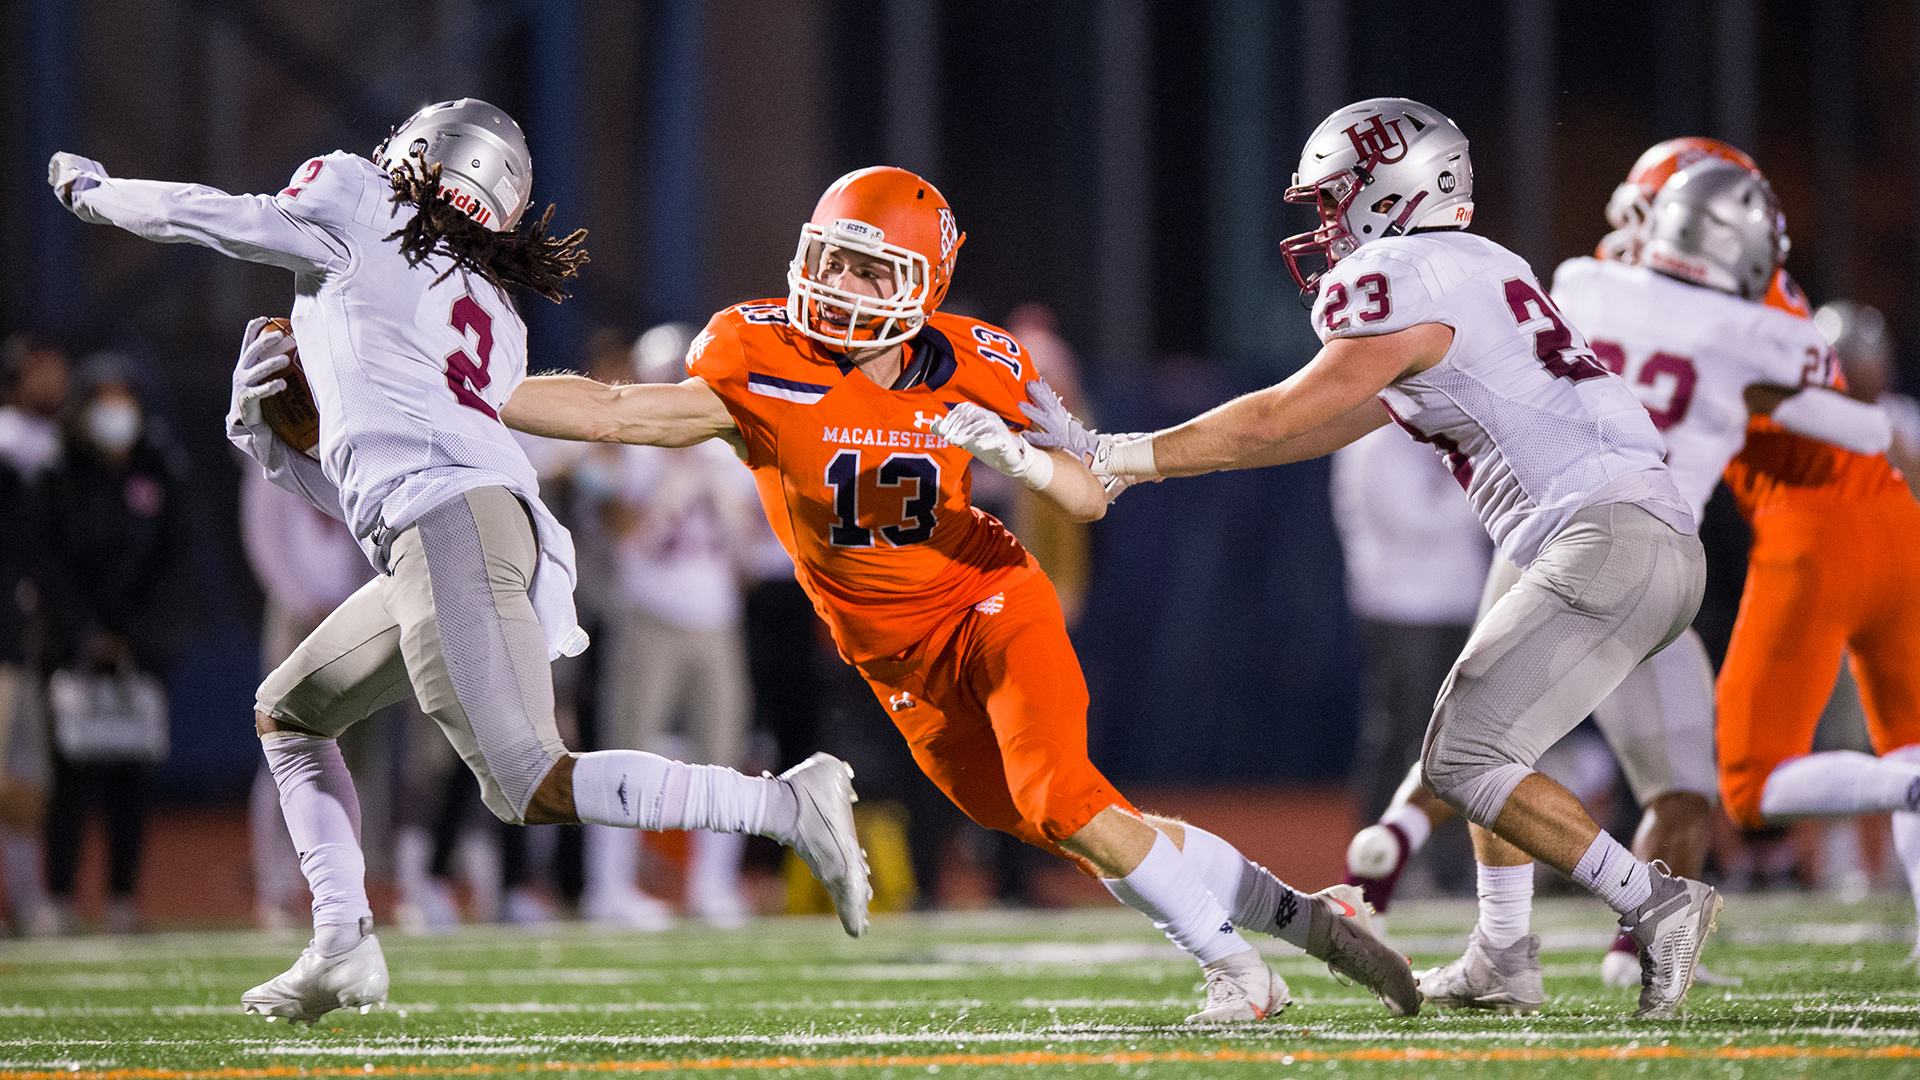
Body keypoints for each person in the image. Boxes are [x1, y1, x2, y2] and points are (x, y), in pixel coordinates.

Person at [498, 165, 1420, 1022]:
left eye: (871, 270)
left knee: (1061, 795)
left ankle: (1236, 970)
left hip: (988, 600)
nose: (843, 287)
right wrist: (464, 383)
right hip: (893, 658)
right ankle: (1310, 922)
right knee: (1076, 820)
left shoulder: (979, 359)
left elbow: (1089, 493)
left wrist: (1018, 456)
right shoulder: (762, 358)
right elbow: (613, 413)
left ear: (922, 284)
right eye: (834, 261)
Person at [49, 98, 868, 1021]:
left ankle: (787, 807)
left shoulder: (356, 197)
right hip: (445, 526)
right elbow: (363, 475)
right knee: (290, 714)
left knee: (526, 781)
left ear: (418, 155)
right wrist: (268, 438)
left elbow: (229, 218)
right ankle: (341, 943)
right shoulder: (490, 310)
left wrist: (102, 195)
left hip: (451, 522)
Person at [1050, 98, 1720, 1019]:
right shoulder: (1482, 267)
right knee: (1479, 734)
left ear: (1394, 189)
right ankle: (1503, 957)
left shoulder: (1405, 271)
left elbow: (1277, 416)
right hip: (1643, 535)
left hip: (1603, 534)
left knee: (1466, 756)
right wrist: (1147, 465)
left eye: (1336, 198)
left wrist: (1118, 454)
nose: (1326, 224)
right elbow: (1316, 428)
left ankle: (1656, 901)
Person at [32, 359, 194, 934]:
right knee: (69, 777)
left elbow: (176, 561)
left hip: (141, 652)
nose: (115, 411)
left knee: (133, 776)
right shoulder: (58, 473)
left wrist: (135, 636)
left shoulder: (161, 470)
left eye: (124, 397)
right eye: (103, 398)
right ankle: (58, 899)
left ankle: (124, 899)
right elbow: (47, 563)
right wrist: (87, 634)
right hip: (71, 650)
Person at [1329, 420, 1490, 906]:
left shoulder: (1451, 432)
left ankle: (1449, 864)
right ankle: (1377, 857)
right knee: (1403, 734)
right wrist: (1480, 497)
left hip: (1461, 600)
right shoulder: (1372, 440)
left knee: (1460, 737)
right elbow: (1411, 519)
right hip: (1399, 604)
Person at [0, 333, 68, 936]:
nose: (56, 380)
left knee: (25, 774)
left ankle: (25, 899)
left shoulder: (55, 449)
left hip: (24, 639)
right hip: (6, 636)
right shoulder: (10, 448)